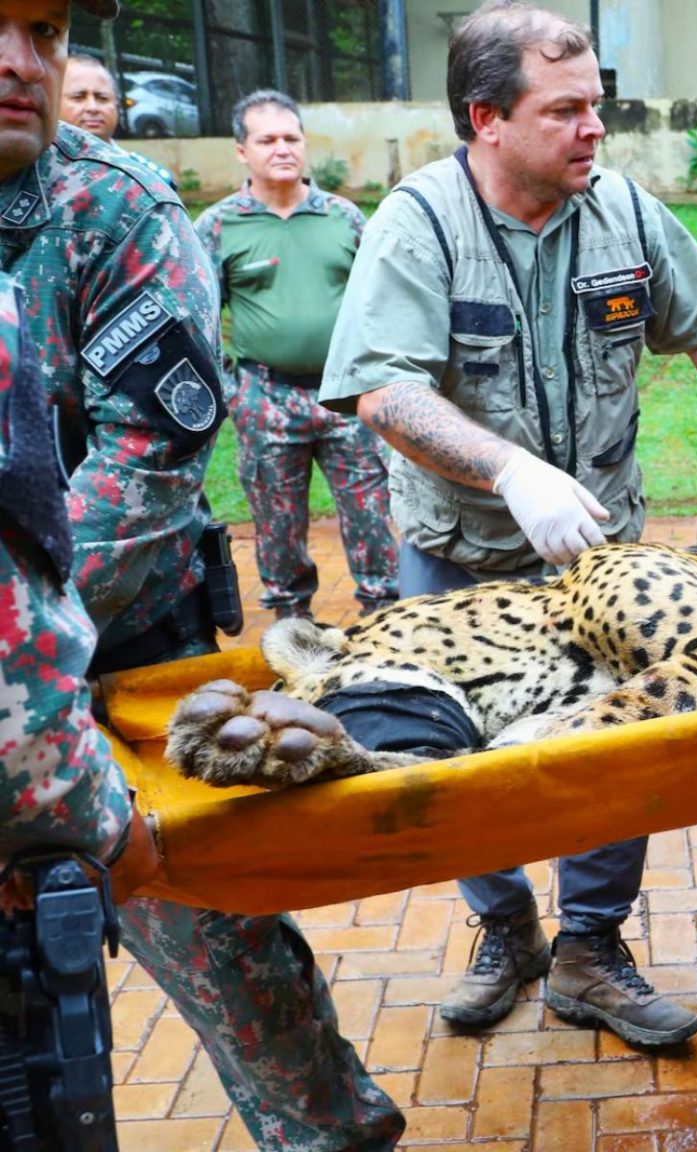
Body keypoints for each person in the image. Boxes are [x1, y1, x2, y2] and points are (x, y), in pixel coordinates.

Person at [319, 0, 697, 1047]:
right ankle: (506, 931)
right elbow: (383, 393)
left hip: (604, 560)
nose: (596, 129)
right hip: (459, 566)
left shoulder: (624, 212)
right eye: (567, 111)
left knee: (613, 757)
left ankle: (591, 950)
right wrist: (510, 472)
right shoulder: (421, 221)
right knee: (461, 767)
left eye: (600, 106)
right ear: (486, 118)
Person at [0, 1, 404, 1146]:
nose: (21, 62)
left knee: (229, 949)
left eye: (45, 28)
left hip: (135, 675)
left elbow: (152, 459)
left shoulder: (111, 207)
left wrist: (24, 658)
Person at [196, 90, 398, 621]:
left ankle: (383, 626)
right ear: (243, 151)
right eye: (267, 140)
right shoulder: (220, 225)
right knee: (277, 528)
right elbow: (195, 317)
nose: (282, 149)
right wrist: (230, 392)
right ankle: (292, 627)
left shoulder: (345, 218)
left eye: (292, 138)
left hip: (347, 399)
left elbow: (381, 304)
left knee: (372, 518)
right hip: (266, 397)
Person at [0, 268, 159, 895]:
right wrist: (96, 828)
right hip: (46, 782)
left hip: (131, 641)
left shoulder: (119, 203)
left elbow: (155, 439)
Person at [58, 53, 177, 186]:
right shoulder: (37, 173)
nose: (93, 107)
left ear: (116, 104)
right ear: (53, 103)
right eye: (78, 97)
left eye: (102, 98)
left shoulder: (149, 178)